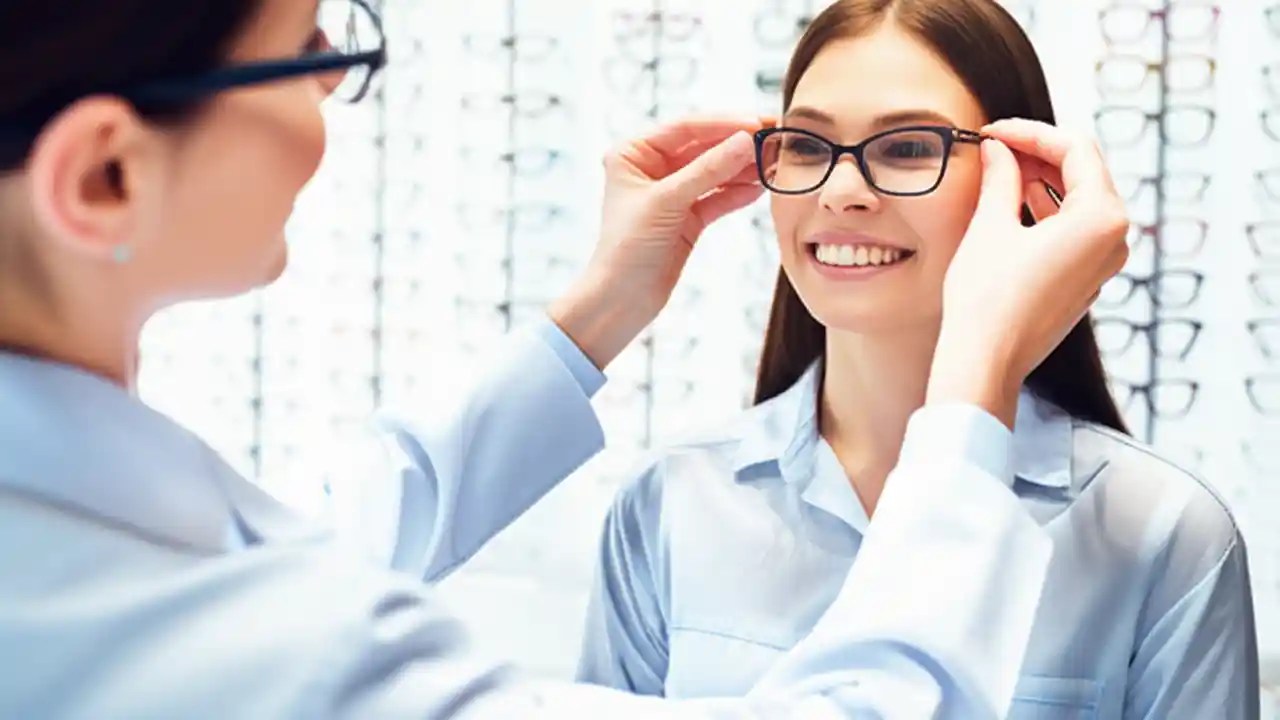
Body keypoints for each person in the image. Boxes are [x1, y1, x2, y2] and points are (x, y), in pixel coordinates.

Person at [0, 0, 1132, 718]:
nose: (328, 105)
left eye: (903, 148)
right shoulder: (288, 653)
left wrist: (597, 310)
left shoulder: (1152, 536)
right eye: (308, 55)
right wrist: (974, 374)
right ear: (103, 176)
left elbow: (333, 529)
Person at [576, 2, 1260, 718]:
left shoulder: (1161, 532)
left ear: (1024, 179)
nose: (841, 193)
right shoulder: (670, 503)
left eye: (906, 148)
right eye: (806, 145)